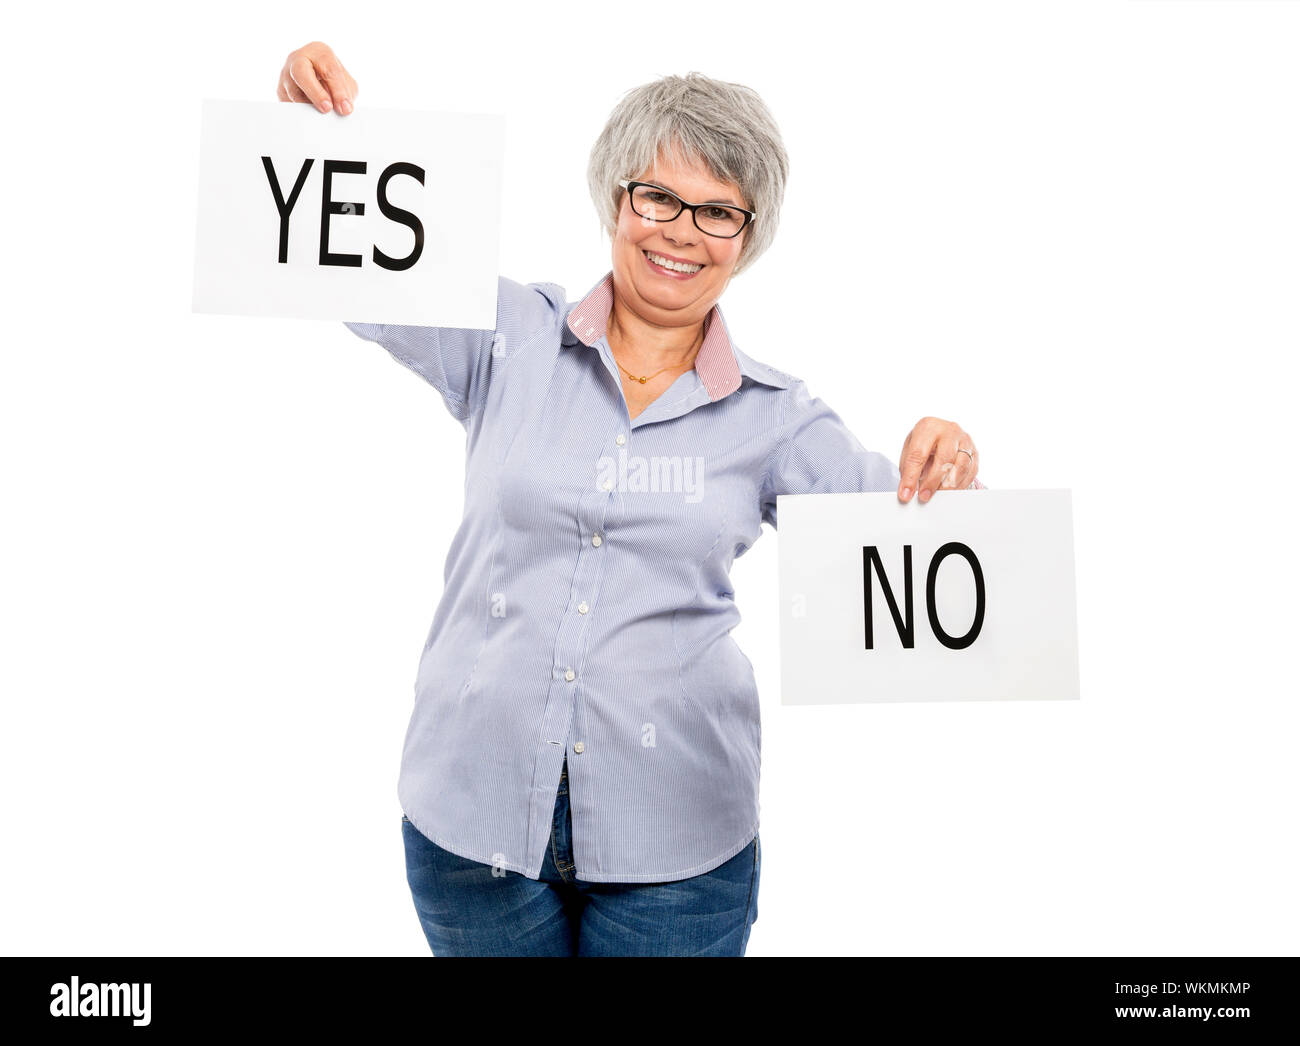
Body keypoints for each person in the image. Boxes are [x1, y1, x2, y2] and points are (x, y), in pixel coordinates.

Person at [275, 41, 986, 956]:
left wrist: (949, 464)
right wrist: (298, 131)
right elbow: (344, 267)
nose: (681, 231)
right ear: (616, 198)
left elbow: (915, 536)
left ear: (748, 235)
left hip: (679, 847)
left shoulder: (778, 419)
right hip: (470, 823)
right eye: (658, 196)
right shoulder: (508, 337)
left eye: (718, 211)